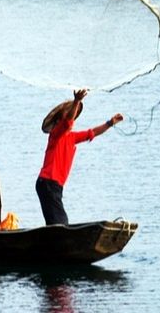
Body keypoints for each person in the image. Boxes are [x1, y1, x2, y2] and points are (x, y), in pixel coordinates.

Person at [35, 88, 123, 225]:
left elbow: (92, 132)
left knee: (57, 223)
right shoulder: (56, 134)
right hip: (48, 183)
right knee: (60, 223)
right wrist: (77, 101)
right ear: (59, 120)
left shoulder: (71, 137)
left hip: (54, 186)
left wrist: (109, 123)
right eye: (69, 115)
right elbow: (67, 122)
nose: (72, 118)